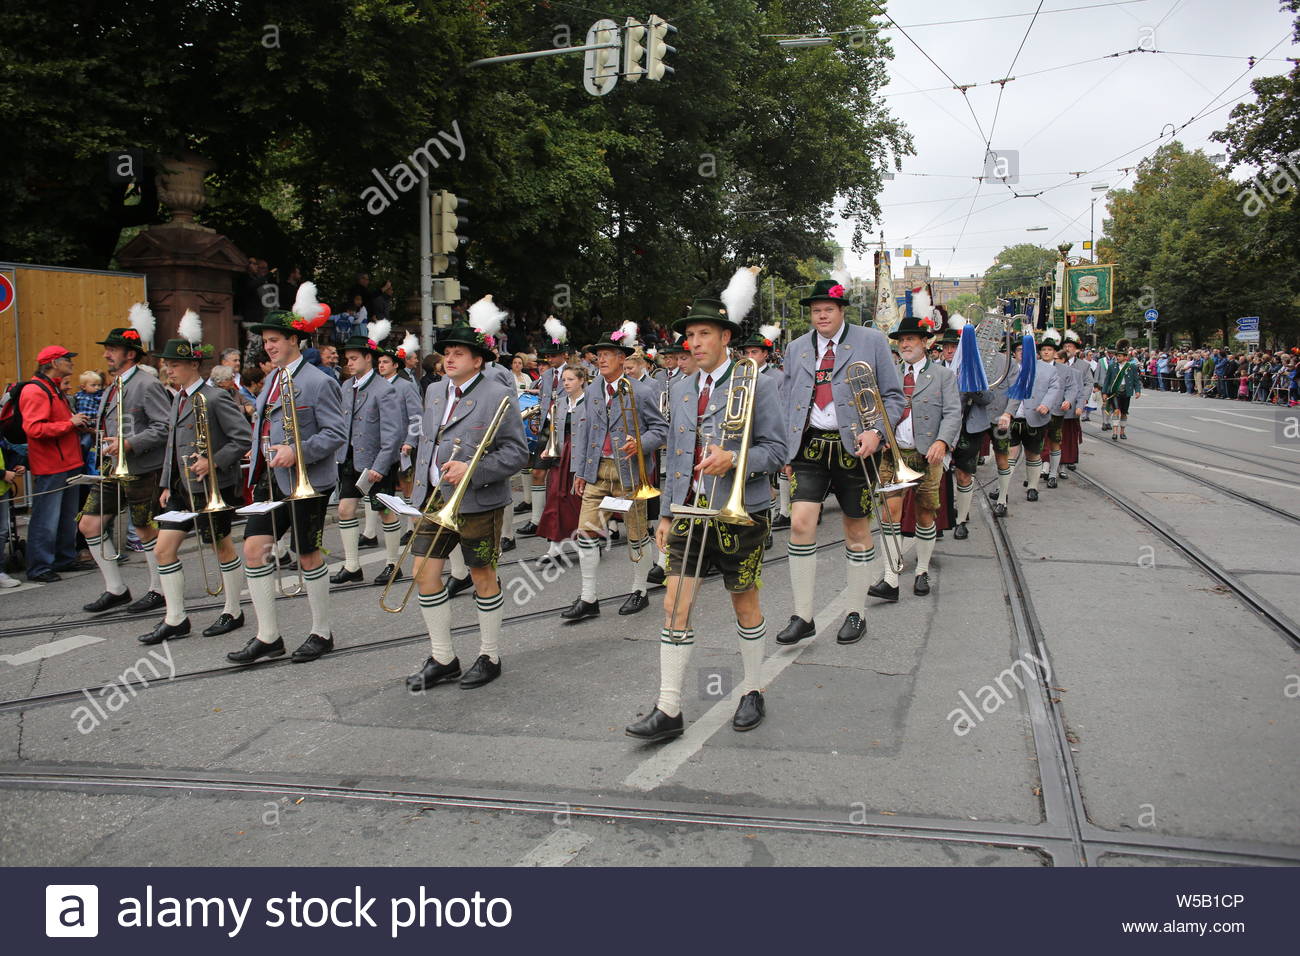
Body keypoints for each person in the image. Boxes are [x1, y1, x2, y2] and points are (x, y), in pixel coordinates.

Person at [626, 292, 786, 742]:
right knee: (675, 603)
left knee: (744, 601)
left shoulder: (758, 382)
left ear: (725, 338)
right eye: (689, 335)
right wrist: (664, 513)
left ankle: (752, 689)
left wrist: (733, 458)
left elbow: (777, 450)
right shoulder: (677, 387)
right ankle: (669, 707)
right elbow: (676, 458)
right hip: (688, 511)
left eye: (703, 334)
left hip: (740, 511)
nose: (694, 342)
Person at [777, 278, 904, 646]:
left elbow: (893, 397)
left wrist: (877, 432)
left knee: (856, 531)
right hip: (810, 449)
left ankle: (855, 611)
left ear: (841, 311)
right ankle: (803, 615)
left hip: (856, 450)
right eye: (816, 311)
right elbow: (787, 402)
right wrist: (785, 450)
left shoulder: (872, 341)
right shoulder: (797, 348)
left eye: (827, 310)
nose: (821, 316)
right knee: (800, 525)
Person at [404, 321, 529, 693]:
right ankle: (443, 657)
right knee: (423, 572)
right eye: (447, 353)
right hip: (435, 498)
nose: (450, 359)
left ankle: (490, 655)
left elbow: (517, 453)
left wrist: (472, 469)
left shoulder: (498, 395)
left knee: (481, 575)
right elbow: (429, 442)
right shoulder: (436, 391)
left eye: (458, 353)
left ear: (478, 360)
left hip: (478, 499)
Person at [226, 304, 346, 665]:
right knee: (253, 549)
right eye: (266, 342)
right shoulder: (274, 379)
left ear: (295, 339)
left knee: (308, 555)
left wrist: (298, 451)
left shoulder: (319, 380)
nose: (270, 347)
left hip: (305, 480)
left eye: (275, 340)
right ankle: (268, 636)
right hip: (270, 479)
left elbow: (336, 433)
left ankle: (321, 632)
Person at [139, 319, 252, 644]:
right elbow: (172, 447)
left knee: (220, 545)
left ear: (192, 365)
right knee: (163, 550)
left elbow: (242, 437)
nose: (168, 370)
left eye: (173, 365)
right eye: (166, 364)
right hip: (180, 488)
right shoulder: (176, 398)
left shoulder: (214, 397)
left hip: (210, 488)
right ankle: (175, 618)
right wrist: (164, 484)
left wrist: (211, 462)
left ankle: (233, 610)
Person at [560, 325, 667, 622]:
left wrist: (641, 443)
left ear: (622, 358)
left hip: (630, 471)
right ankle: (588, 597)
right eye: (599, 355)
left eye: (607, 354)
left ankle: (639, 590)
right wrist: (579, 471)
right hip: (597, 470)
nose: (601, 359)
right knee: (586, 533)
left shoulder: (642, 390)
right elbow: (583, 432)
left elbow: (661, 430)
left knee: (636, 534)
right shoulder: (592, 389)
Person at [78, 309, 173, 613]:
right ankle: (116, 588)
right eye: (107, 349)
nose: (107, 354)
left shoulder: (147, 385)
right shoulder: (112, 386)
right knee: (89, 525)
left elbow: (163, 427)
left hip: (142, 468)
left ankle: (158, 589)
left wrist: (129, 443)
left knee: (144, 529)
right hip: (112, 469)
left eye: (113, 349)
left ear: (130, 355)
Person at [870, 311, 959, 599]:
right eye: (901, 340)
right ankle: (890, 578)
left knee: (924, 514)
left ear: (924, 342)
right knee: (889, 514)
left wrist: (943, 442)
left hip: (928, 455)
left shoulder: (943, 375)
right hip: (893, 454)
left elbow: (953, 413)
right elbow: (875, 410)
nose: (904, 344)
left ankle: (921, 570)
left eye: (910, 339)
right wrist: (878, 433)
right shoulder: (889, 374)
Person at [328, 325, 405, 588]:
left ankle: (393, 564)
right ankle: (352, 566)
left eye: (353, 359)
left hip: (375, 462)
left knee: (384, 511)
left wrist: (381, 466)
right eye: (346, 359)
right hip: (349, 459)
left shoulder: (384, 389)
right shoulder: (346, 386)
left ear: (368, 358)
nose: (348, 363)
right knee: (345, 509)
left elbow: (394, 433)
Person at [518, 327, 571, 539]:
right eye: (548, 355)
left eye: (554, 355)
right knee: (538, 473)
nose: (550, 359)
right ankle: (536, 520)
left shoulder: (574, 372)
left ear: (564, 355)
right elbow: (543, 399)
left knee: (563, 479)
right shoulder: (547, 375)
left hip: (566, 429)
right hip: (546, 429)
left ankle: (564, 520)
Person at [1005, 330, 1064, 509]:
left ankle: (1032, 487)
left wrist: (1046, 404)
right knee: (1010, 454)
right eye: (1020, 350)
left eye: (1027, 349)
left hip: (1035, 417)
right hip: (1012, 418)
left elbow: (1055, 388)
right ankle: (1003, 489)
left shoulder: (1047, 369)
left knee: (1033, 454)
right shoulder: (1008, 369)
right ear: (1014, 353)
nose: (1023, 353)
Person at [535, 365, 588, 565]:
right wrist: (548, 447)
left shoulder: (591, 402)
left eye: (570, 379)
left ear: (582, 380)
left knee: (579, 499)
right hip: (561, 455)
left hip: (581, 455)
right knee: (556, 496)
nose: (565, 383)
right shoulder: (559, 403)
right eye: (564, 380)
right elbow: (552, 430)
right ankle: (554, 547)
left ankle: (589, 539)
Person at [741, 327, 791, 530]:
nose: (750, 356)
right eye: (747, 352)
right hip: (749, 437)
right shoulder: (742, 374)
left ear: (765, 354)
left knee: (767, 485)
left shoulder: (777, 377)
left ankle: (768, 525)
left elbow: (781, 410)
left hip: (770, 436)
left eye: (755, 352)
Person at [1058, 330, 1091, 474]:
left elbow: (1088, 384)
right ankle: (1052, 462)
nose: (1067, 348)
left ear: (1076, 349)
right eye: (1065, 346)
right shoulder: (1056, 363)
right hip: (1056, 406)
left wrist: (1082, 402)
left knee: (1070, 435)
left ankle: (1068, 459)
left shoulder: (1083, 366)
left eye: (1070, 346)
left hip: (1073, 407)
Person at [1102, 339, 1142, 441]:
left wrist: (1137, 391)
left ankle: (1122, 431)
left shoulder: (1131, 367)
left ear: (1125, 357)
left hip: (1126, 392)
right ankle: (1114, 432)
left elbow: (1136, 380)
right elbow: (1107, 381)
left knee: (1124, 413)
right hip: (1115, 392)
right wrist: (1105, 392)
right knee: (1116, 411)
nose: (1117, 358)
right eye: (1117, 356)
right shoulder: (1112, 367)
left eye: (1119, 356)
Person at [0, 445, 25, 588]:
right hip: (2, 481)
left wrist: (15, 465)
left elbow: (5, 451)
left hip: (2, 489)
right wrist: (3, 474)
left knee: (2, 532)